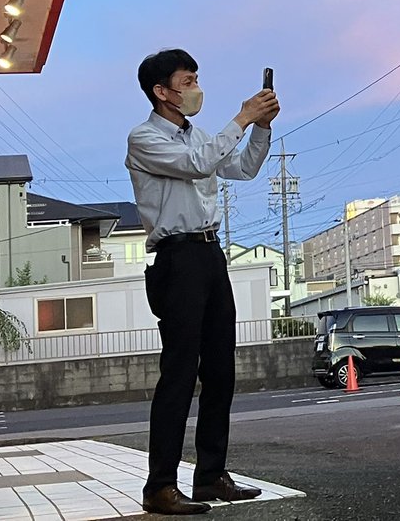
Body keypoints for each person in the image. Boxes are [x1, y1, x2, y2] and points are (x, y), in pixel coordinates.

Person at [127, 49, 280, 515]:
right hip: (176, 258)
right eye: (187, 81)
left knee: (220, 370)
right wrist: (242, 117)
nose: (196, 88)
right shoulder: (144, 139)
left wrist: (261, 126)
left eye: (196, 78)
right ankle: (160, 485)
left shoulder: (199, 137)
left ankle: (211, 475)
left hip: (211, 252)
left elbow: (243, 167)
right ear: (161, 91)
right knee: (179, 372)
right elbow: (197, 164)